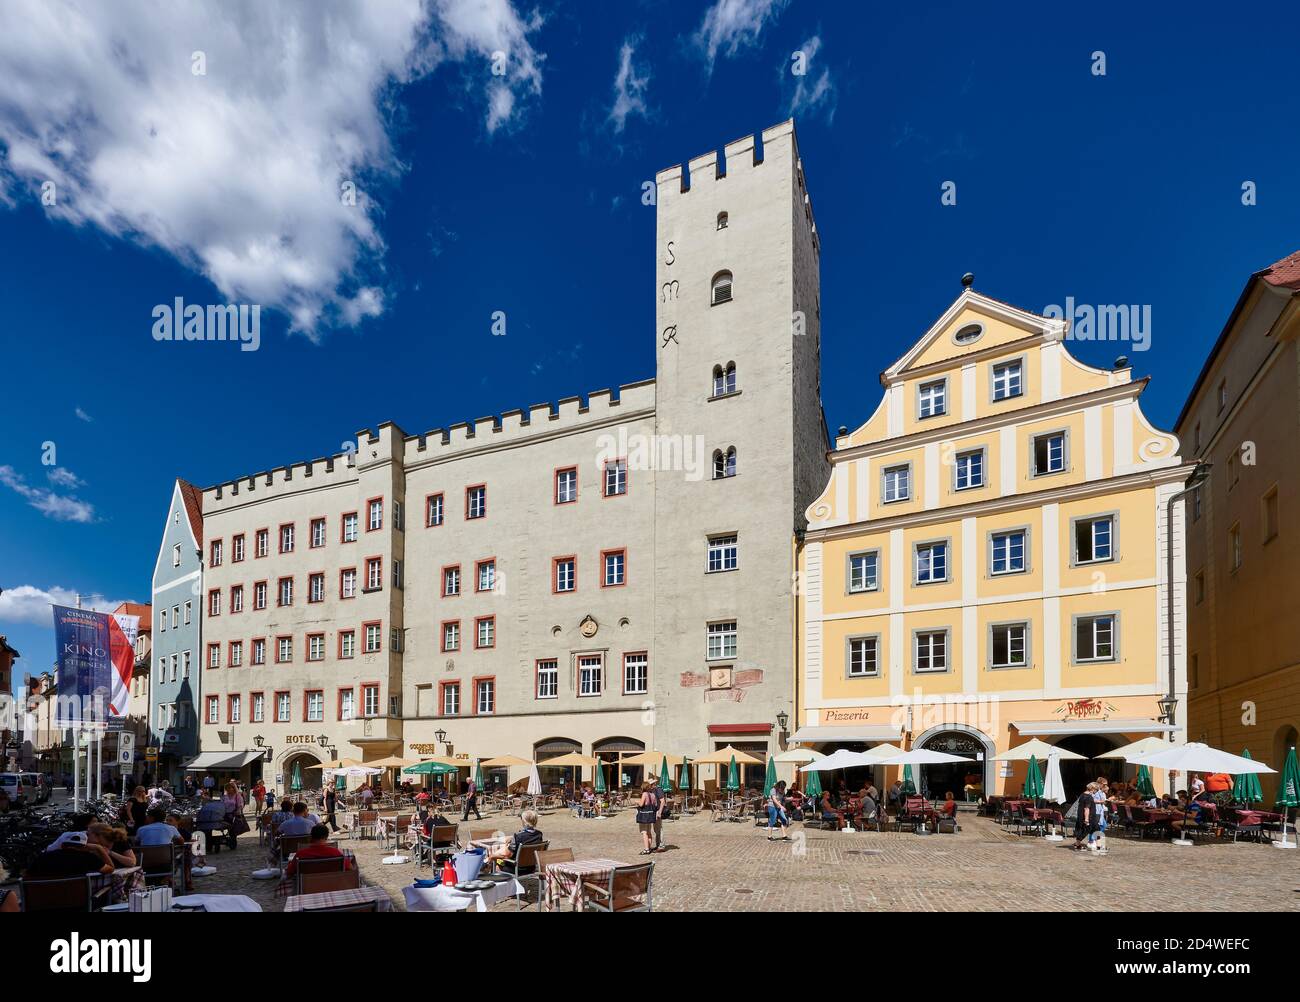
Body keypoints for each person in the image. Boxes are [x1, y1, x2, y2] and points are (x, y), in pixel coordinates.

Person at [283, 824, 352, 878]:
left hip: (307, 886)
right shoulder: (335, 852)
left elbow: (289, 872)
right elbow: (350, 867)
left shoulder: (301, 854)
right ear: (326, 837)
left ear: (311, 837)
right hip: (332, 884)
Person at [1072, 783, 1099, 853]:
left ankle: (1078, 844)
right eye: (1096, 790)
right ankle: (1097, 845)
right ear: (1093, 789)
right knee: (1094, 829)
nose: (1096, 791)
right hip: (1090, 817)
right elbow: (1086, 808)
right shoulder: (1089, 797)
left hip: (1081, 816)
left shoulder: (1082, 795)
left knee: (1083, 830)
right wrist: (1086, 819)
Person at [635, 780, 658, 855]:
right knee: (649, 831)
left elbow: (641, 804)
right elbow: (655, 804)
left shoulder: (644, 794)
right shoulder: (653, 795)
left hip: (644, 815)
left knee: (644, 832)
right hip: (650, 815)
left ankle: (646, 849)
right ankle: (649, 847)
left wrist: (637, 802)